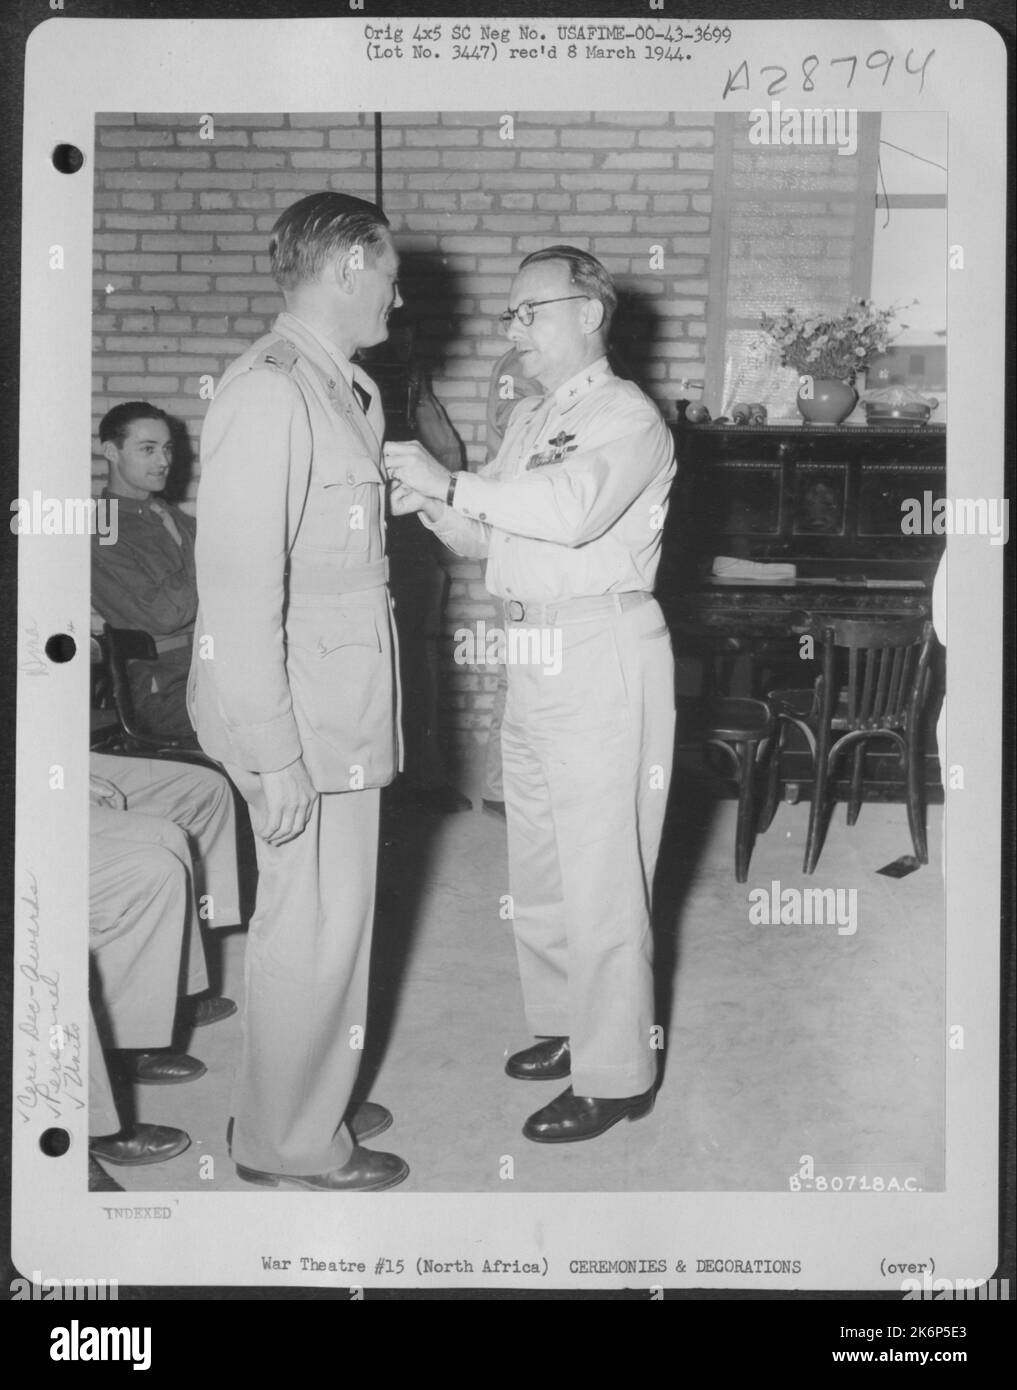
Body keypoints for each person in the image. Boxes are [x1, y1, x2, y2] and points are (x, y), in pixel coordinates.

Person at [387, 246, 677, 1143]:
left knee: (601, 870)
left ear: (588, 313)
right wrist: (431, 504)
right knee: (542, 858)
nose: (513, 330)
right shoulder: (534, 415)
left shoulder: (627, 416)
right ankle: (563, 1025)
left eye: (528, 312)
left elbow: (570, 512)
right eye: (511, 316)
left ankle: (617, 1071)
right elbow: (491, 534)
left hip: (601, 644)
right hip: (536, 643)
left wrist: (448, 480)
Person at [189, 191, 409, 1191]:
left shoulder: (337, 386)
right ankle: (284, 1142)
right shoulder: (269, 392)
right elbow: (238, 595)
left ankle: (304, 1087)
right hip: (297, 702)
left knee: (334, 912)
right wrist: (271, 754)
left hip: (335, 687)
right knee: (310, 920)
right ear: (350, 268)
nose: (399, 300)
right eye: (392, 277)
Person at [90, 753, 241, 1083]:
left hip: (45, 757)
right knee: (159, 861)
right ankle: (128, 1038)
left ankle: (176, 990)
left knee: (207, 789)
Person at [92, 402, 198, 739]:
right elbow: (166, 615)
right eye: (148, 449)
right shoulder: (100, 528)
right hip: (165, 687)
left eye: (167, 448)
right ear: (111, 451)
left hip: (217, 669)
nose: (164, 461)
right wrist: (219, 561)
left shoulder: (177, 519)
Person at [479, 347, 543, 818]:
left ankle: (511, 785)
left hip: (542, 538)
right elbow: (523, 427)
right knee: (518, 671)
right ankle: (501, 789)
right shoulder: (524, 364)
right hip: (522, 535)